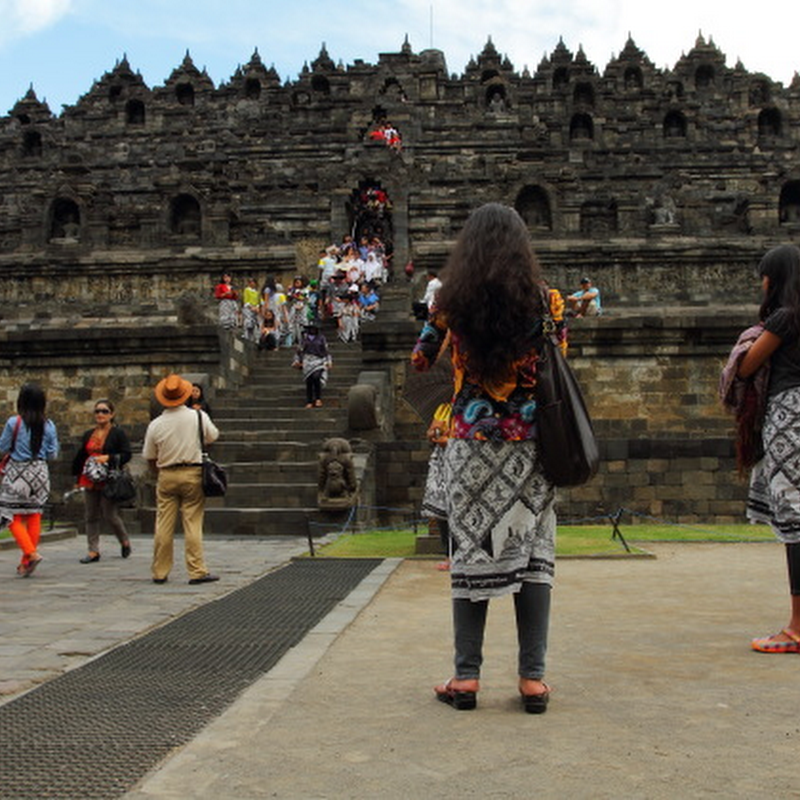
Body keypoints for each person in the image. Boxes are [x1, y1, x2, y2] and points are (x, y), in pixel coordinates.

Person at [411, 203, 567, 713]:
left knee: (470, 554)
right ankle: (533, 681)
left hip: (471, 446)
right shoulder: (546, 302)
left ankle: (466, 678)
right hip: (531, 449)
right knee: (532, 556)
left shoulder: (451, 303)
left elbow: (419, 361)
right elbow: (557, 358)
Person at [735, 245, 800, 653]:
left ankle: (796, 628)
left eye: (764, 276)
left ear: (774, 279)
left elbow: (746, 367)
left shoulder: (785, 317)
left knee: (795, 517)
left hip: (791, 417)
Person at [142, 374, 220, 585]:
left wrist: (160, 472)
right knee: (192, 522)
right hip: (192, 472)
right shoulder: (198, 416)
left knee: (163, 524)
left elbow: (149, 456)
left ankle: (160, 570)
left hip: (166, 473)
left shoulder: (156, 424)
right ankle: (196, 570)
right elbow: (213, 436)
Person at [0, 383, 60, 577]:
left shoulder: (14, 423)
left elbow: (3, 447)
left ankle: (31, 553)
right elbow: (53, 454)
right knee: (34, 514)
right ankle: (26, 561)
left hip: (18, 472)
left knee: (11, 515)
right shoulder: (49, 425)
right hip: (40, 472)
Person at [71, 399, 133, 563]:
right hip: (90, 477)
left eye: (104, 411)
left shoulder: (117, 433)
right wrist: (77, 478)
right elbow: (81, 457)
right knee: (90, 514)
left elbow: (127, 454)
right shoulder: (88, 434)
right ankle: (93, 551)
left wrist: (109, 458)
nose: (100, 414)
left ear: (111, 414)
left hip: (108, 478)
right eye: (97, 411)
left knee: (110, 514)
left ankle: (124, 540)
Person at [294, 323, 332, 408]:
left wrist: (329, 361)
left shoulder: (322, 338)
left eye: (314, 329)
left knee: (316, 377)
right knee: (309, 380)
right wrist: (297, 361)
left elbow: (326, 350)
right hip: (307, 360)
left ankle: (318, 398)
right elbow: (299, 351)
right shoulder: (304, 339)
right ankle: (309, 400)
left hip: (319, 360)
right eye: (311, 329)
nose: (312, 330)